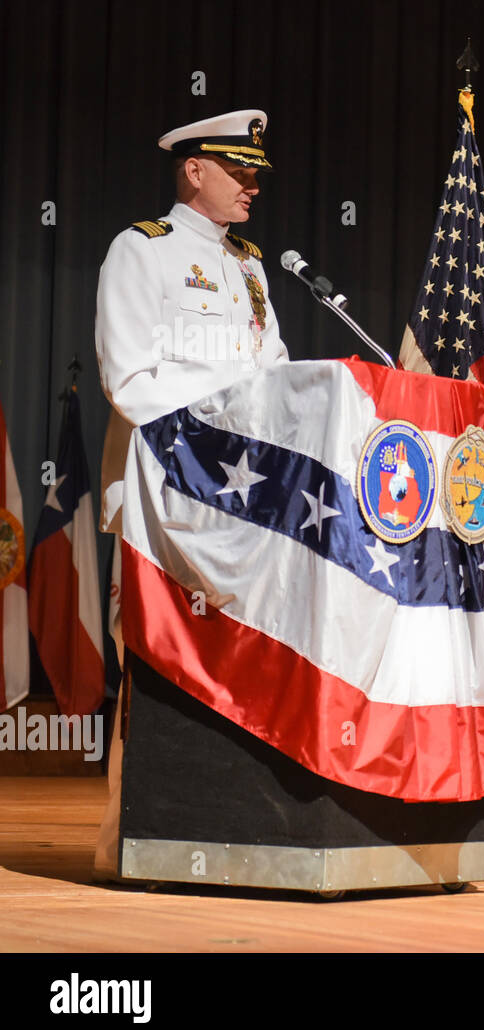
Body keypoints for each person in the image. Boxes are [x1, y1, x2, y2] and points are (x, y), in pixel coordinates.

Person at [93, 110, 288, 879]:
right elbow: (130, 380)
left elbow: (275, 373)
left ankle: (229, 833)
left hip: (242, 510)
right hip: (162, 503)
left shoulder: (251, 267)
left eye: (258, 174)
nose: (252, 184)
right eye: (238, 169)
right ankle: (130, 840)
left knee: (236, 671)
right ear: (192, 170)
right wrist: (223, 418)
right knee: (155, 668)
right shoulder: (141, 251)